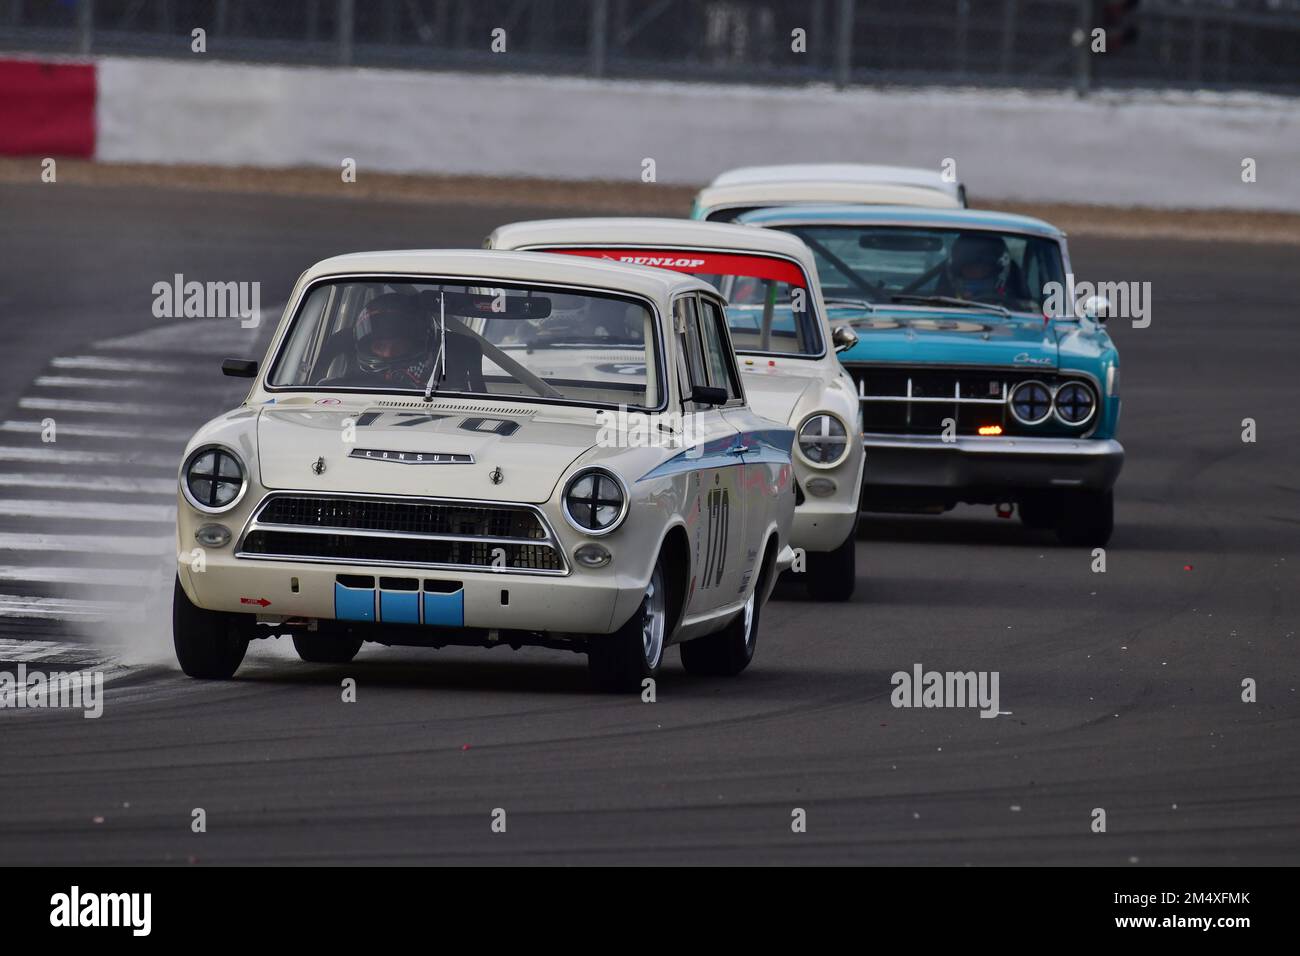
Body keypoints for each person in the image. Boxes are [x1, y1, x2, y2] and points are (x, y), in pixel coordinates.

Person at [351, 293, 436, 387]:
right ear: (367, 349)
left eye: (399, 346)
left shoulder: (444, 386)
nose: (388, 353)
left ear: (414, 346)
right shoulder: (345, 388)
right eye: (380, 347)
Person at [942, 233, 1013, 304]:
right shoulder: (939, 304)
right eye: (970, 270)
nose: (977, 273)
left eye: (984, 269)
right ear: (957, 271)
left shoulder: (1016, 308)